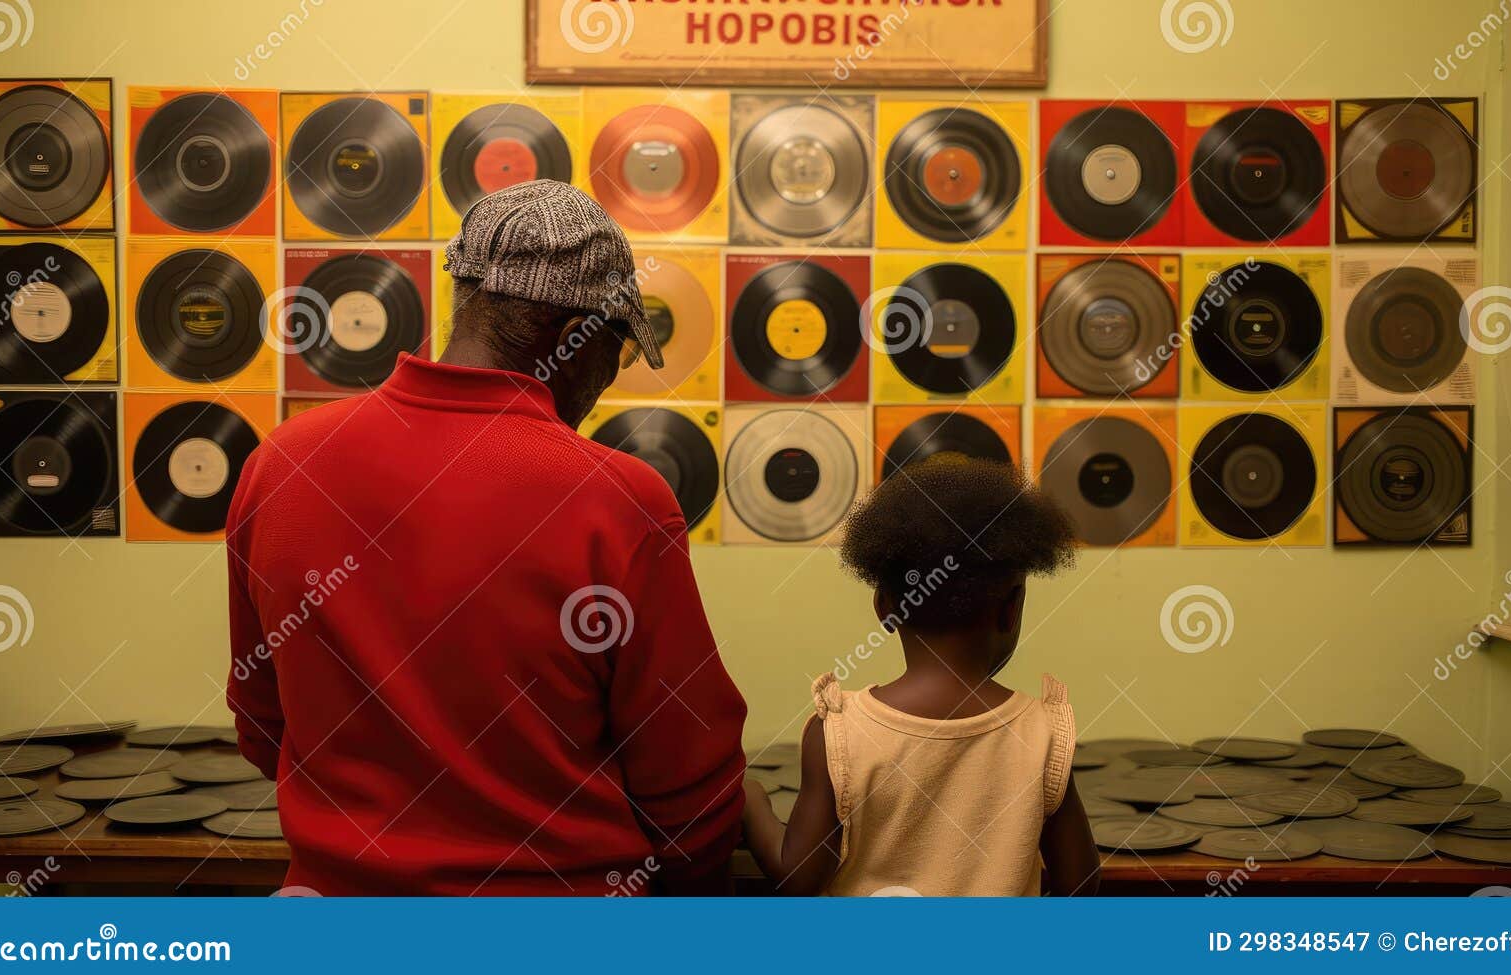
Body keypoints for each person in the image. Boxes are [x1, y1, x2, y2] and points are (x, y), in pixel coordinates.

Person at [226, 180, 747, 895]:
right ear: (573, 342)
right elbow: (689, 781)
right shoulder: (620, 499)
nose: (608, 381)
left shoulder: (282, 463)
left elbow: (261, 724)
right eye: (617, 354)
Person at [741, 457, 1099, 896]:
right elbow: (1080, 884)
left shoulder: (836, 731)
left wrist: (750, 801)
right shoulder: (1043, 733)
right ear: (1011, 609)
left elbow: (798, 877)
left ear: (884, 607)